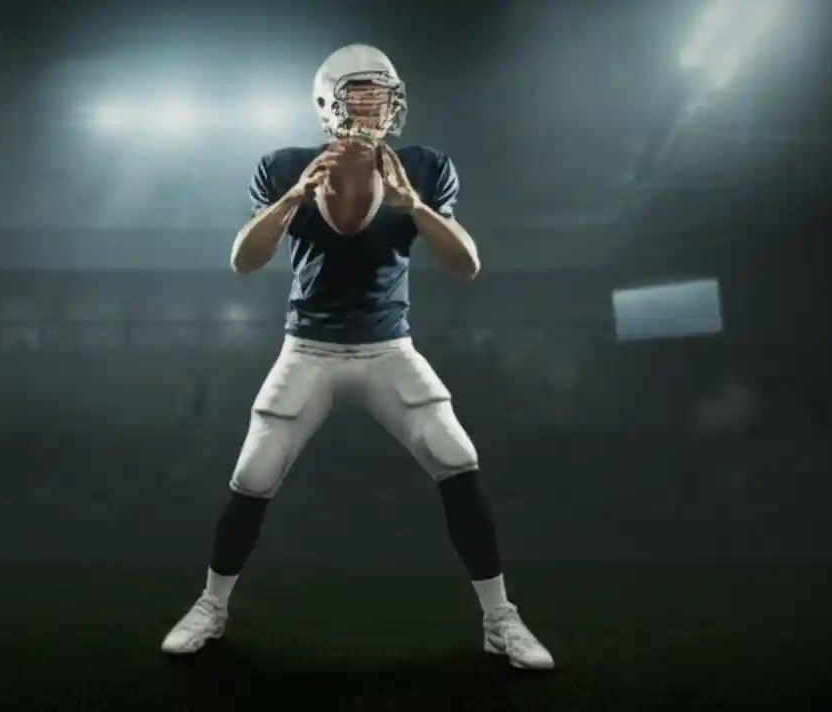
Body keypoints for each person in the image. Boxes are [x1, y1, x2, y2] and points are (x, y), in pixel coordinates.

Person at [160, 43, 554, 670]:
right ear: (327, 104)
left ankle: (499, 618)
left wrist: (415, 208)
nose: (373, 105)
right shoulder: (285, 165)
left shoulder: (424, 167)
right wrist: (292, 197)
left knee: (458, 458)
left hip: (388, 347)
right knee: (254, 475)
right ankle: (212, 606)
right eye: (359, 92)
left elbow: (467, 265)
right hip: (309, 347)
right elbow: (243, 260)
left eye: (380, 92)